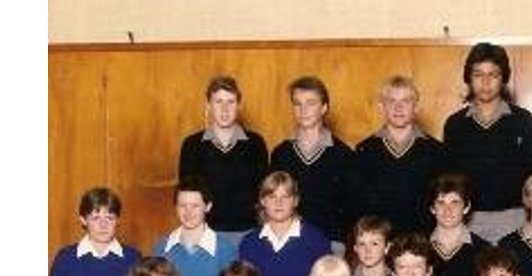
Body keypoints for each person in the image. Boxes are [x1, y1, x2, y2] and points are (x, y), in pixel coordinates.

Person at [443, 42, 532, 244]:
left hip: (515, 219)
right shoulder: (455, 125)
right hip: (469, 221)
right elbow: (449, 182)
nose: (485, 82)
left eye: (493, 75)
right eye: (478, 75)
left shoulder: (522, 120)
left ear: (503, 79)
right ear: (468, 79)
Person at [178, 75, 269, 244]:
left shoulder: (255, 143)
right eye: (218, 102)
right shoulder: (192, 145)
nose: (225, 109)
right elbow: (187, 195)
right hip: (206, 234)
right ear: (209, 106)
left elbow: (264, 192)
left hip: (248, 232)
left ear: (239, 106)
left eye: (231, 102)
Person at [269, 75, 359, 246]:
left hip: (330, 242)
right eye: (297, 104)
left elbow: (352, 207)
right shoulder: (281, 153)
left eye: (311, 103)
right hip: (289, 241)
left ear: (324, 107)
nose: (303, 110)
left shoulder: (343, 154)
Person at [238, 171, 333, 276]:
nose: (278, 203)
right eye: (272, 197)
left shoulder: (315, 239)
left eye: (285, 197)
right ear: (262, 201)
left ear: (295, 201)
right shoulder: (249, 243)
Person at [355, 76, 447, 237]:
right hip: (379, 243)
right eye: (392, 101)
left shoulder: (435, 151)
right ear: (382, 107)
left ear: (416, 107)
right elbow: (360, 207)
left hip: (421, 242)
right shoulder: (365, 151)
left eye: (406, 101)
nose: (399, 107)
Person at [153, 176, 239, 276]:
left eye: (195, 206)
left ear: (208, 206)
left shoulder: (226, 249)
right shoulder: (162, 248)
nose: (188, 212)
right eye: (182, 206)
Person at [427, 172, 488, 276]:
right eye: (441, 202)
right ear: (432, 208)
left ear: (466, 207)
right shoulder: (420, 249)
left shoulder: (484, 250)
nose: (447, 210)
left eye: (455, 202)